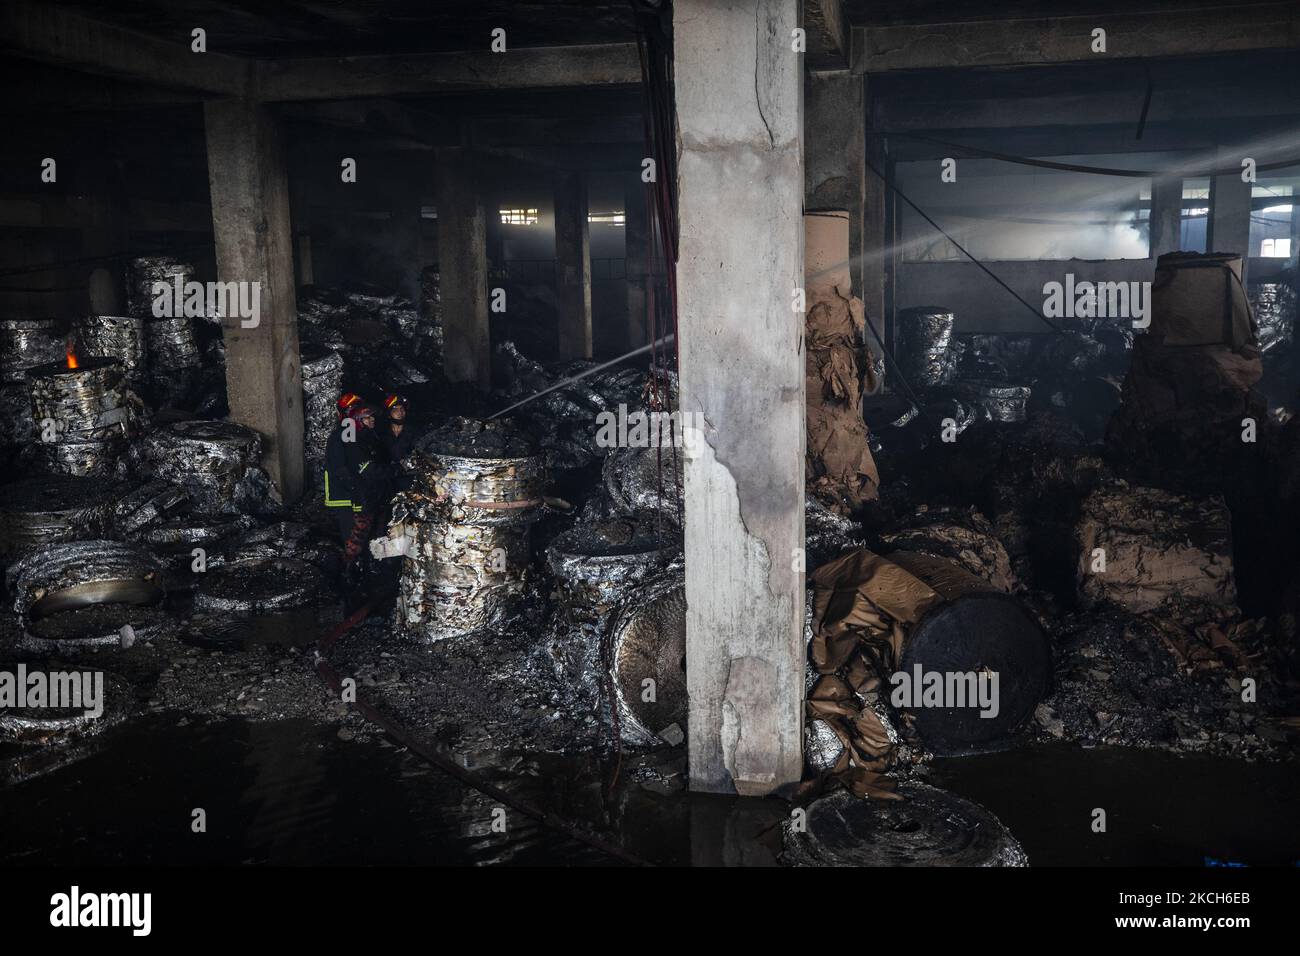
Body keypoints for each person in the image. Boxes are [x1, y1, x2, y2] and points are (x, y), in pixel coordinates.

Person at [323, 401, 385, 577]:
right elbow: (343, 470)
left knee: (361, 535)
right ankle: (348, 576)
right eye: (367, 417)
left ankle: (360, 571)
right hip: (344, 497)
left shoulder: (360, 436)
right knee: (352, 539)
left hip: (356, 496)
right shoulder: (342, 437)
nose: (372, 420)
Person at [380, 392, 416, 466]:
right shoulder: (382, 435)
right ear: (389, 414)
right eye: (395, 410)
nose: (400, 412)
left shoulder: (412, 430)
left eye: (402, 408)